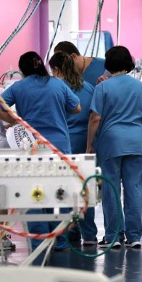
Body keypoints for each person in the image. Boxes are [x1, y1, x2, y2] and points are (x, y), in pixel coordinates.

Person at [0, 51, 81, 250]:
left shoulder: (19, 87)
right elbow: (76, 108)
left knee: (35, 193)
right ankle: (60, 240)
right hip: (59, 147)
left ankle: (39, 241)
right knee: (61, 192)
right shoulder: (58, 84)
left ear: (23, 69)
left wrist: (17, 122)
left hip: (32, 147)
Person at [86, 46, 142, 249]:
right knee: (134, 189)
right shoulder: (139, 86)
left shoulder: (103, 87)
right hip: (136, 142)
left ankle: (113, 236)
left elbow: (95, 117)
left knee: (111, 189)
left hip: (111, 143)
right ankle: (134, 236)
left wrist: (89, 144)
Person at [49, 51, 98, 247]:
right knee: (85, 189)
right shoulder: (89, 88)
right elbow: (95, 114)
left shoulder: (56, 88)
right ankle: (90, 234)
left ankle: (67, 232)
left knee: (62, 190)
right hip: (85, 141)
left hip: (63, 142)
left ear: (57, 69)